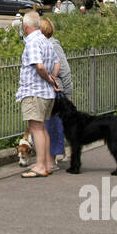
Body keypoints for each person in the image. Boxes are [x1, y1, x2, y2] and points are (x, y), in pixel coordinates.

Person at [16, 10, 59, 178]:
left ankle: (41, 166)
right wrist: (53, 79)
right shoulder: (45, 40)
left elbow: (39, 66)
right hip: (47, 93)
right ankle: (47, 162)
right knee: (42, 128)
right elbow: (57, 62)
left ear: (25, 26)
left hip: (35, 91)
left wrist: (48, 79)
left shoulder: (32, 42)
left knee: (36, 129)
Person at [40, 16, 74, 167]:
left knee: (52, 125)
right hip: (42, 90)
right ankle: (45, 159)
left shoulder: (53, 45)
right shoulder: (40, 45)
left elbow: (65, 71)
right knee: (44, 125)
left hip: (55, 90)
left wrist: (68, 94)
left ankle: (52, 159)